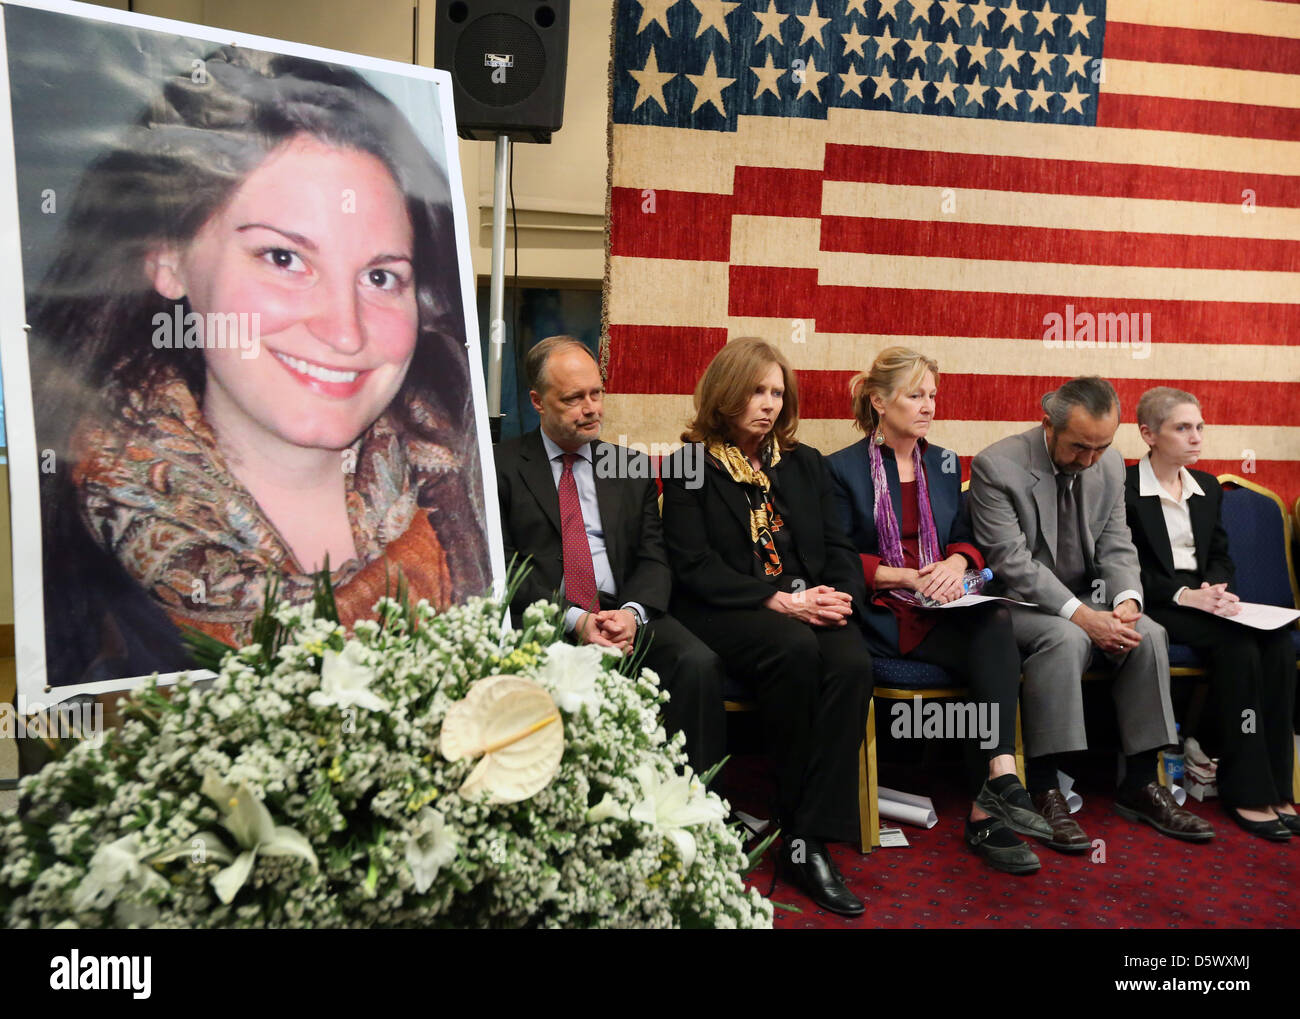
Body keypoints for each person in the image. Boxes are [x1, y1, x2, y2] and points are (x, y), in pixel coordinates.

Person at [29, 48, 490, 688]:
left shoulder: (466, 493)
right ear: (168, 258)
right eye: (282, 258)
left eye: (381, 276)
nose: (344, 329)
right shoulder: (73, 560)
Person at [659, 337, 874, 916]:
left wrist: (840, 599)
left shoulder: (803, 464)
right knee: (795, 649)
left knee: (853, 663)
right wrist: (777, 601)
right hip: (727, 610)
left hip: (809, 603)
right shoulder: (690, 467)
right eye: (756, 390)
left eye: (778, 392)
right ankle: (797, 824)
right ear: (726, 395)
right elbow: (693, 565)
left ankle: (805, 835)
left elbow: (839, 545)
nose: (769, 404)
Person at [826, 348, 1052, 874]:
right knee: (987, 658)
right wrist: (907, 576)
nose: (928, 406)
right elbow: (834, 557)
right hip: (881, 614)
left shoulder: (945, 462)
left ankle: (995, 785)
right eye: (915, 395)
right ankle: (991, 806)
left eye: (932, 396)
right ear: (879, 401)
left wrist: (953, 562)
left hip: (940, 607)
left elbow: (968, 539)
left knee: (996, 624)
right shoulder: (839, 468)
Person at [970, 377, 1215, 846]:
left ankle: (1141, 784)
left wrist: (1125, 601)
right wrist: (1081, 615)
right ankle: (1044, 790)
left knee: (1150, 633)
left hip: (1092, 596)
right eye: (1079, 447)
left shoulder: (1108, 467)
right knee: (1064, 637)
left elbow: (1117, 545)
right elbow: (1012, 562)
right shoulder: (997, 465)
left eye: (1101, 447)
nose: (1089, 460)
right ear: (1049, 425)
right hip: (1017, 603)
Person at [494, 336, 726, 773]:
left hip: (623, 614)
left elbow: (654, 557)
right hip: (548, 618)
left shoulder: (629, 466)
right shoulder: (500, 466)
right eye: (573, 398)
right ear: (537, 401)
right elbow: (504, 564)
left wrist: (633, 614)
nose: (591, 408)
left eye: (596, 393)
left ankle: (696, 808)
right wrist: (575, 619)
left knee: (698, 663)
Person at [1125, 387, 1298, 840]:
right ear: (1149, 434)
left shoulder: (1205, 487)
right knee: (1238, 645)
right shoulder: (1125, 489)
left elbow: (1220, 554)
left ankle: (1279, 788)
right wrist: (1186, 595)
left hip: (1204, 600)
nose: (1196, 437)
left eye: (1199, 427)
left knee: (1279, 641)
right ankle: (1245, 790)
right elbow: (1125, 566)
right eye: (1182, 428)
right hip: (1159, 603)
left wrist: (1216, 588)